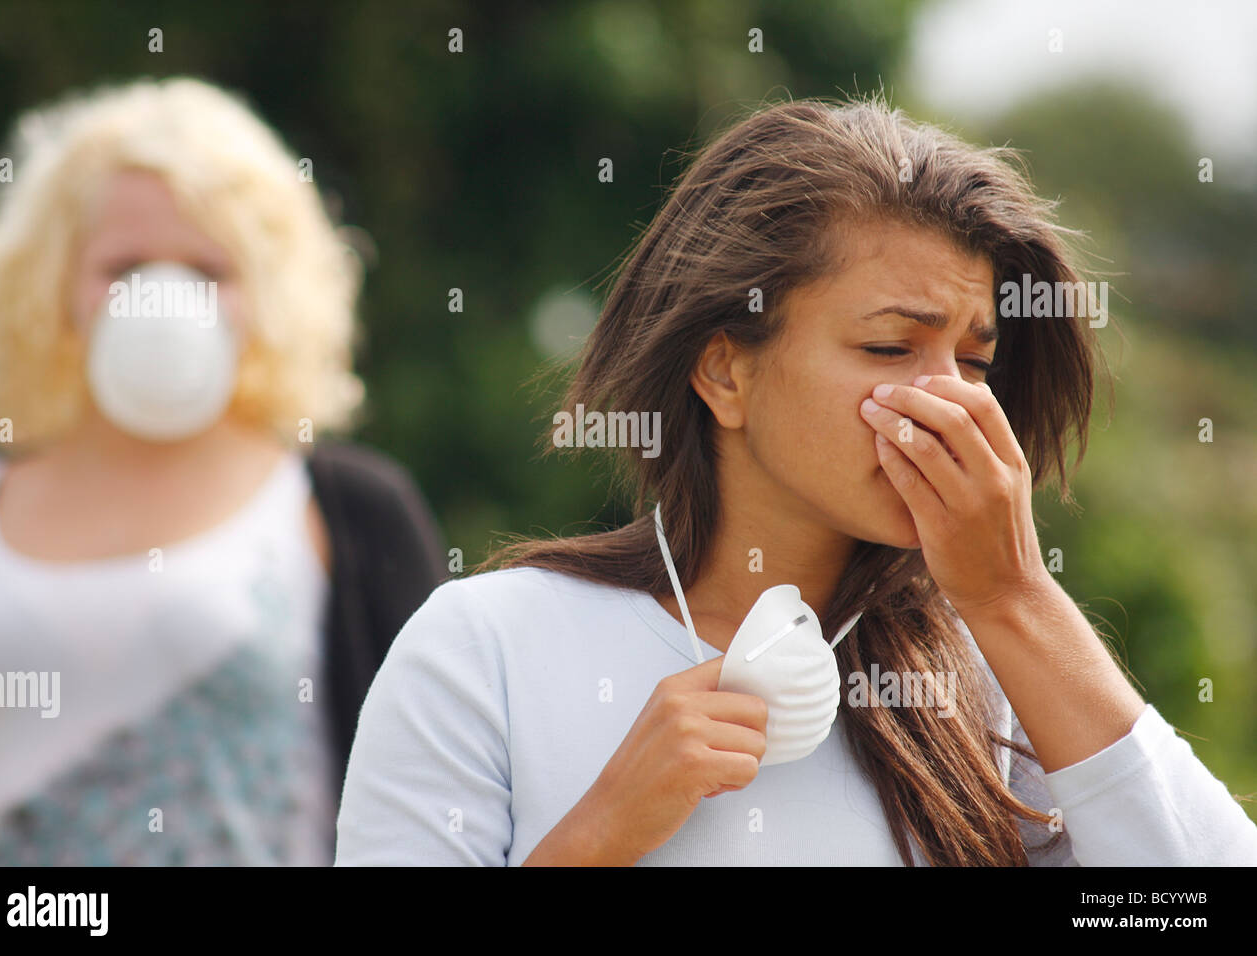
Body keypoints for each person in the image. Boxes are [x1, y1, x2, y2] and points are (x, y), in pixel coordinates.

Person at [333, 95, 1257, 866]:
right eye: (891, 346)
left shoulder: (982, 681)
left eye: (975, 363)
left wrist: (1014, 596)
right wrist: (605, 830)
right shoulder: (485, 650)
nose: (952, 403)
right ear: (726, 373)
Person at [0, 77, 446, 865]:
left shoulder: (352, 512)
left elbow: (445, 797)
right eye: (124, 267)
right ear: (52, 288)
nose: (161, 298)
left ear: (267, 293)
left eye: (206, 269)